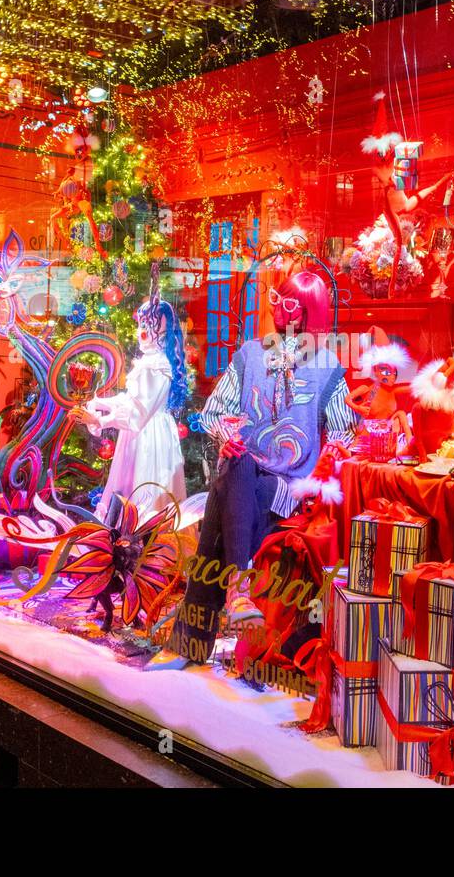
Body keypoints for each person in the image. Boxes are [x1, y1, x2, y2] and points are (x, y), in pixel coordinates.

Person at [150, 270, 357, 669]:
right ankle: (239, 588)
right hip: (243, 472)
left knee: (223, 494)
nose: (279, 310)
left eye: (291, 304)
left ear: (310, 311)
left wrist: (327, 464)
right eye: (277, 300)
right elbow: (213, 413)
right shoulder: (249, 355)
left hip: (286, 487)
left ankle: (190, 642)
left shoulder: (327, 367)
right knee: (236, 464)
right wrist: (225, 437)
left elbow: (343, 433)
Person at [70, 271, 187, 520]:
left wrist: (100, 420)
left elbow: (137, 413)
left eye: (145, 326)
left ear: (158, 330)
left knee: (144, 494)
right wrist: (100, 403)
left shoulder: (156, 365)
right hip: (143, 434)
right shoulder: (151, 361)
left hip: (149, 440)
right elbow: (132, 399)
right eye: (140, 325)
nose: (139, 332)